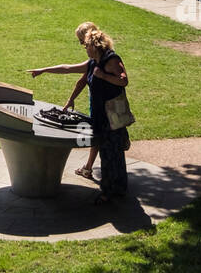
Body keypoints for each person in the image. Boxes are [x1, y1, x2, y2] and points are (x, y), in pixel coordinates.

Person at [29, 22, 99, 181]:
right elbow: (82, 80)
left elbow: (68, 68)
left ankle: (104, 180)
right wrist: (71, 99)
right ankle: (88, 167)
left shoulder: (100, 60)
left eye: (82, 42)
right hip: (98, 104)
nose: (82, 45)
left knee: (101, 136)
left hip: (105, 107)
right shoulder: (96, 59)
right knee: (98, 134)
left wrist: (44, 70)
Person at [82, 26, 130, 205]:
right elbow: (71, 69)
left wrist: (103, 76)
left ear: (94, 46)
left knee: (111, 155)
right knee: (109, 154)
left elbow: (123, 80)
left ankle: (109, 192)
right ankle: (117, 188)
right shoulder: (94, 62)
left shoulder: (111, 60)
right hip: (101, 117)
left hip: (112, 117)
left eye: (86, 45)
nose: (85, 48)